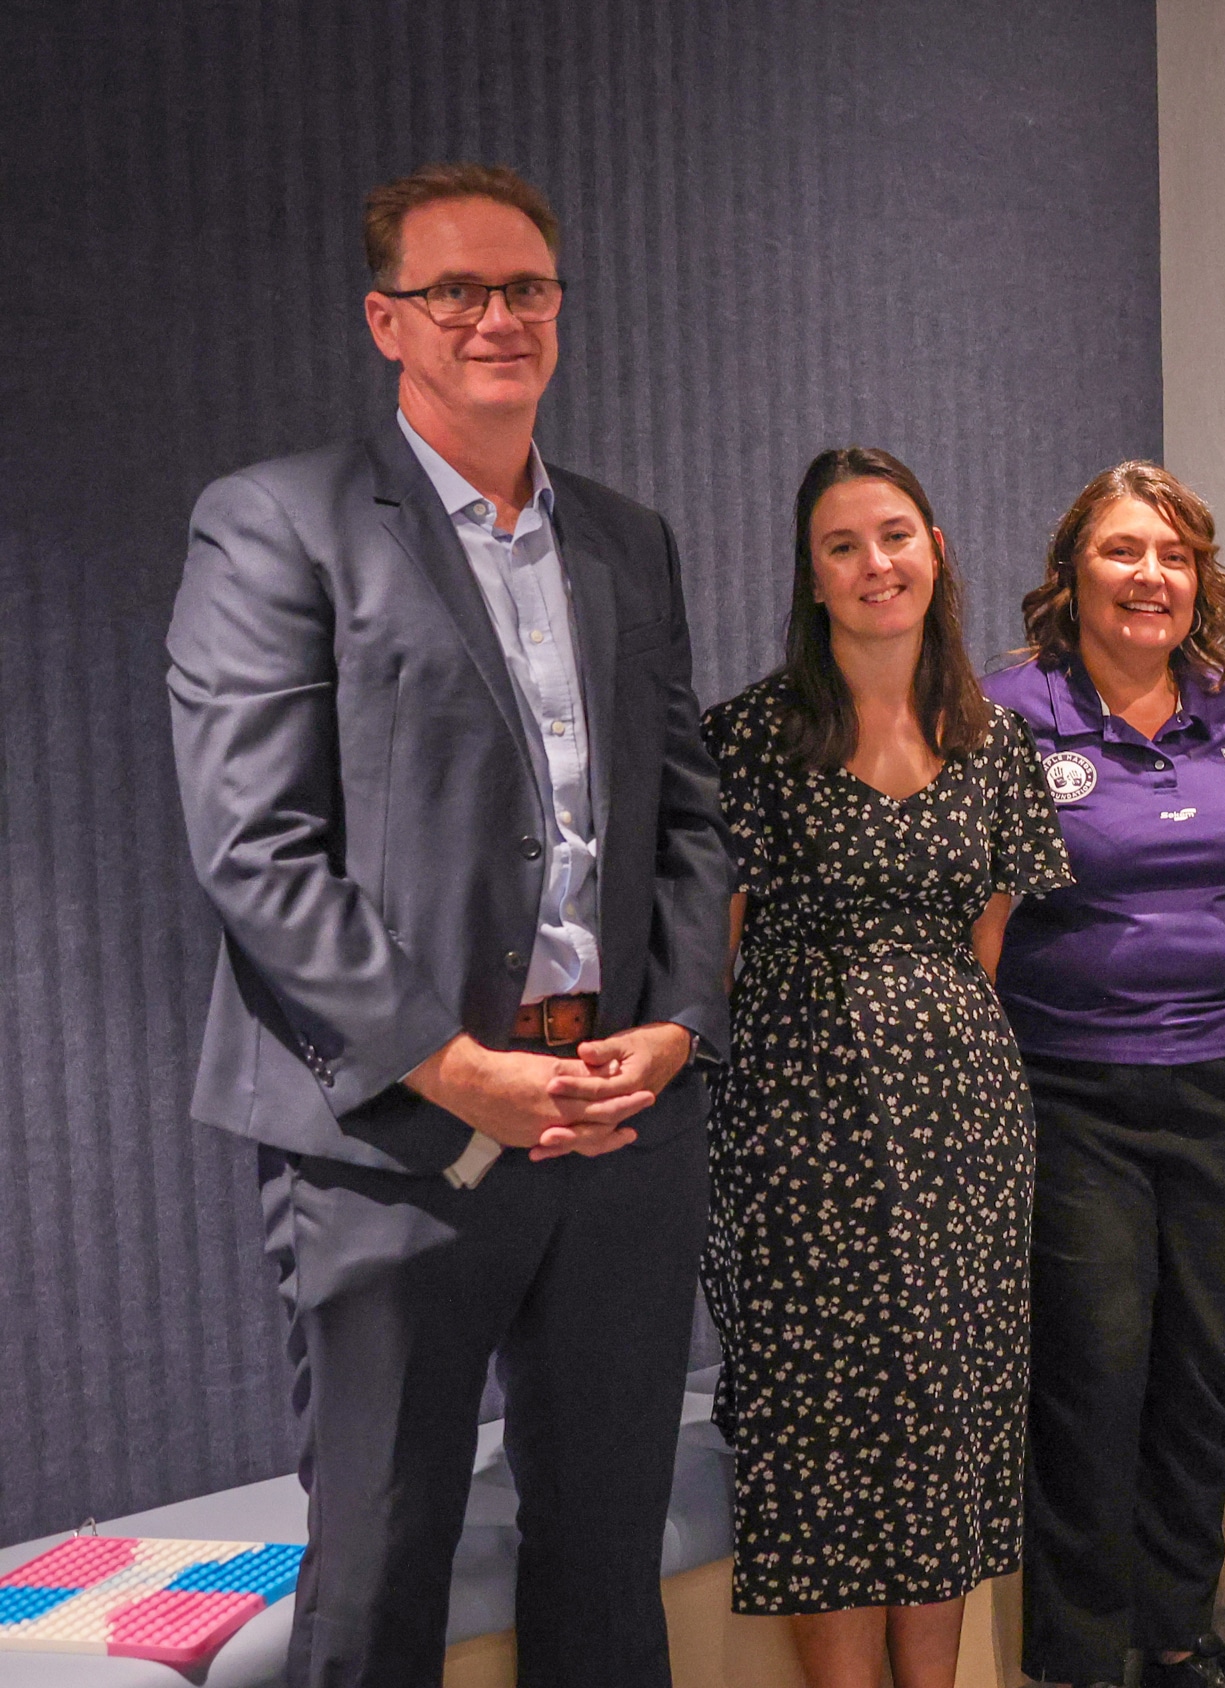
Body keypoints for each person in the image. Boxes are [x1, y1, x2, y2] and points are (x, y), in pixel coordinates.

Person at [164, 163, 728, 1686]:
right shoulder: (276, 523)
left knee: (609, 1554)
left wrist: (676, 1029)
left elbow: (691, 815)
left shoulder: (627, 537)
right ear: (386, 321)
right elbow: (255, 848)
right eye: (456, 292)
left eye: (526, 288)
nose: (498, 317)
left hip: (620, 1127)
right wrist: (450, 1064)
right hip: (398, 1145)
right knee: (384, 1557)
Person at [703, 447, 1074, 1688]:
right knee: (824, 1443)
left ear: (939, 551)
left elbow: (984, 948)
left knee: (945, 1426)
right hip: (797, 1138)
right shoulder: (748, 738)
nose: (877, 565)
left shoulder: (996, 742)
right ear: (811, 580)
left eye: (897, 535)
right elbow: (722, 959)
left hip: (966, 1130)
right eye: (843, 546)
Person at [981, 463, 1225, 1688]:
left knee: (1204, 1369)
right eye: (1121, 551)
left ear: (1199, 579)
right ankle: (1075, 1655)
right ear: (1072, 574)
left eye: (1172, 554)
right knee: (1093, 1376)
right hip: (1072, 1094)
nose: (1149, 574)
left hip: (1222, 1086)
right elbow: (978, 916)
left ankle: (1177, 1629)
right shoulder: (1008, 712)